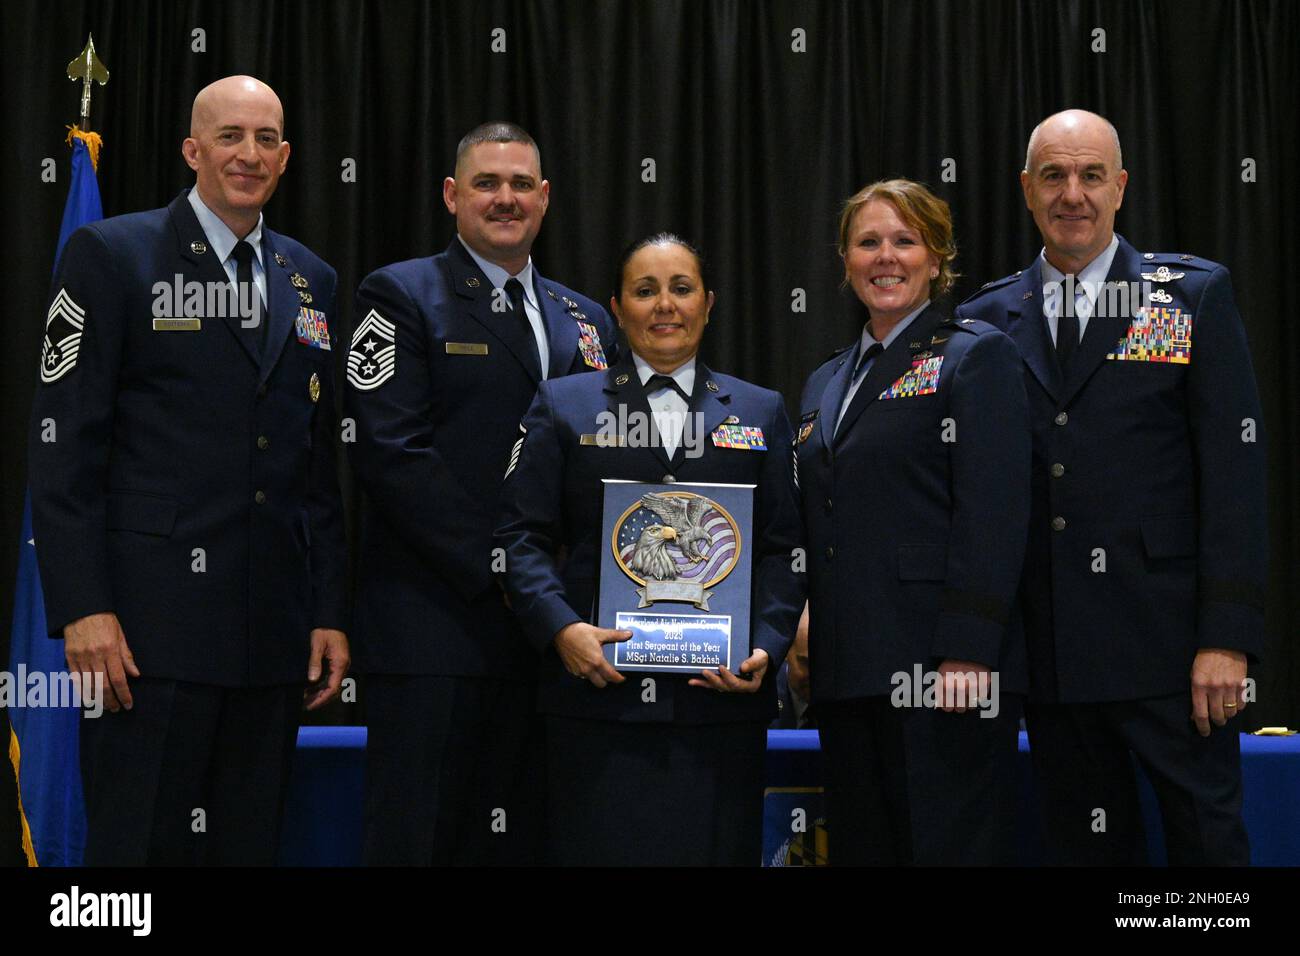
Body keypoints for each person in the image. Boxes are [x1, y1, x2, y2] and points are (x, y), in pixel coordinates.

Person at [27, 76, 350, 865]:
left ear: (286, 155)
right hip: (145, 637)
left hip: (270, 639)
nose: (249, 153)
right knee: (133, 861)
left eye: (266, 138)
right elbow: (63, 445)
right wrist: (83, 609)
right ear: (192, 150)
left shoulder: (311, 278)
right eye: (231, 136)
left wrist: (327, 611)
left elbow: (318, 473)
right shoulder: (112, 254)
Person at [955, 109, 1267, 865]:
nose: (1074, 194)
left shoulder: (1189, 298)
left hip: (1171, 648)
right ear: (1027, 191)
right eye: (1055, 176)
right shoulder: (984, 319)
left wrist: (1226, 637)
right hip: (1054, 649)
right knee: (1086, 845)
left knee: (1206, 848)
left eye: (1092, 175)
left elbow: (1234, 474)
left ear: (1120, 187)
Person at [345, 122, 618, 865]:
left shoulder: (587, 320)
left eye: (521, 184)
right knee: (421, 838)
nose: (506, 199)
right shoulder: (400, 294)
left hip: (554, 638)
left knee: (528, 842)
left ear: (546, 197)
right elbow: (393, 455)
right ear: (451, 196)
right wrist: (506, 571)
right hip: (437, 629)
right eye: (486, 184)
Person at [494, 233, 804, 865]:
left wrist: (766, 648)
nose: (665, 305)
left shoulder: (760, 409)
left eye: (681, 288)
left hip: (717, 708)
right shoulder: (564, 404)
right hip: (597, 705)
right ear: (616, 307)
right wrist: (561, 631)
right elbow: (517, 540)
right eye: (645, 290)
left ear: (709, 304)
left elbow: (784, 549)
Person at [798, 179, 1031, 865]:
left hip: (941, 671)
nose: (885, 257)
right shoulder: (825, 380)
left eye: (905, 240)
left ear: (937, 258)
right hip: (847, 673)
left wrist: (968, 650)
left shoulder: (974, 354)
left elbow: (996, 513)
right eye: (868, 242)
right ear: (845, 260)